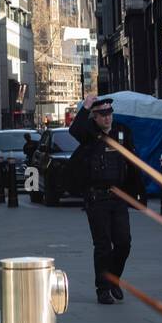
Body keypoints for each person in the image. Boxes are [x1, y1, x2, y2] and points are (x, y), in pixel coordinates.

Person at [66, 96, 143, 305]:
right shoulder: (89, 133)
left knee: (124, 242)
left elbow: (132, 160)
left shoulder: (122, 132)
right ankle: (102, 289)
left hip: (118, 196)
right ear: (95, 117)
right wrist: (85, 107)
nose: (107, 119)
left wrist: (138, 194)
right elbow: (75, 131)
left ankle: (114, 278)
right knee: (103, 246)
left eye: (109, 114)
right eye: (102, 115)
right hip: (96, 197)